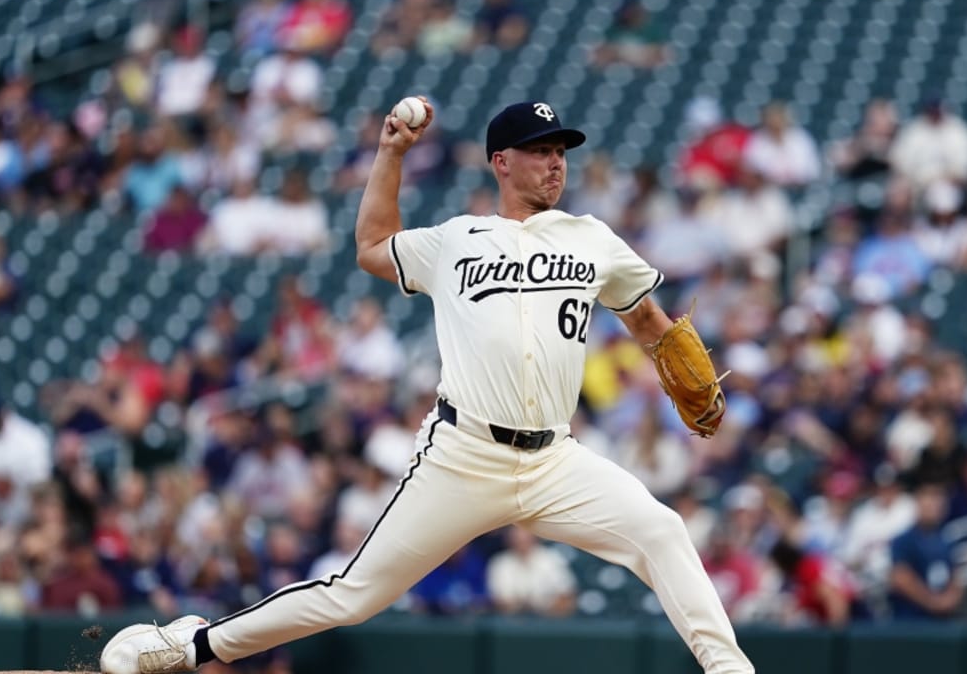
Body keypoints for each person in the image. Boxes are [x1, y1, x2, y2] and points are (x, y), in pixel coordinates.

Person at [100, 100, 754, 673]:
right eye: (540, 151)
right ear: (501, 162)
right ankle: (190, 645)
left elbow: (645, 317)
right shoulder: (457, 240)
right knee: (352, 595)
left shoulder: (592, 239)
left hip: (556, 459)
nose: (556, 163)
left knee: (662, 530)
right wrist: (391, 154)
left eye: (561, 152)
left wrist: (678, 362)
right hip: (464, 456)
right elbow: (371, 245)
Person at [886, 483, 961, 620]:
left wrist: (949, 599)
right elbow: (900, 577)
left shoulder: (947, 539)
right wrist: (932, 602)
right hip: (911, 621)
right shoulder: (903, 540)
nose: (934, 505)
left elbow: (955, 575)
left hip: (943, 621)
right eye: (929, 499)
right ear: (918, 503)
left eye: (938, 499)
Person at [486, 525, 577, 616]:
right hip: (512, 619)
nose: (521, 542)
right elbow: (499, 601)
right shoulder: (500, 563)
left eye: (525, 539)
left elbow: (567, 596)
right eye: (517, 539)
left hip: (549, 618)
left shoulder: (551, 558)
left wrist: (547, 611)